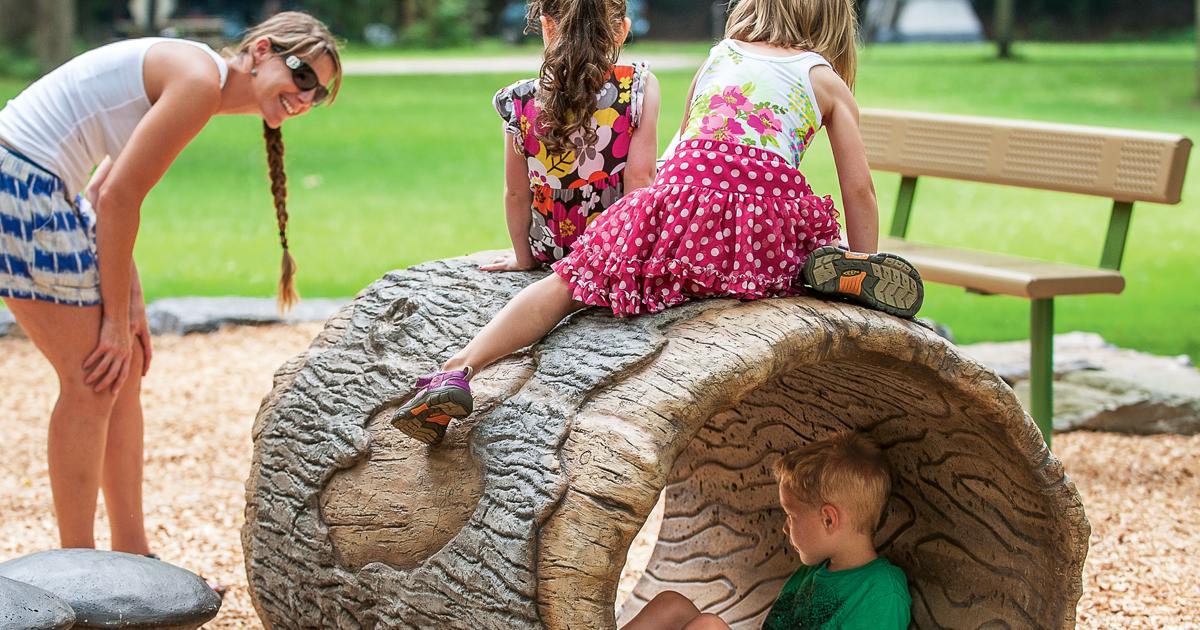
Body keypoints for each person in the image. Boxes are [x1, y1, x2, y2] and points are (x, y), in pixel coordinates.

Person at [391, 0, 922, 446]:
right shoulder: (823, 79)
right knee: (802, 239)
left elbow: (686, 148)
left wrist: (649, 223)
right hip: (762, 223)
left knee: (569, 283)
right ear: (832, 21)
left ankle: (460, 368)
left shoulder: (720, 56)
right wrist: (863, 254)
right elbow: (858, 188)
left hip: (684, 200)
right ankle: (838, 270)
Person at [0, 11, 341, 554]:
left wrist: (130, 308)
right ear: (261, 51)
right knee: (91, 377)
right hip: (21, 181)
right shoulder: (199, 80)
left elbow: (102, 195)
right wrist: (112, 321)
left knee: (122, 366)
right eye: (302, 75)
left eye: (318, 94)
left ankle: (131, 554)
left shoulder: (196, 78)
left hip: (32, 180)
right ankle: (76, 566)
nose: (305, 96)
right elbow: (115, 202)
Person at [620, 432, 911, 630]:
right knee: (672, 605)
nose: (785, 527)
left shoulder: (882, 591)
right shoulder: (810, 574)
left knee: (708, 627)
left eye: (791, 515)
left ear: (829, 519)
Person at [482, 0, 660, 272]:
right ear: (622, 31)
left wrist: (523, 258)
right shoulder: (636, 86)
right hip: (611, 245)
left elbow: (516, 193)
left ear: (547, 27)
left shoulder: (518, 99)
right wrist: (632, 255)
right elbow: (641, 178)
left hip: (550, 248)